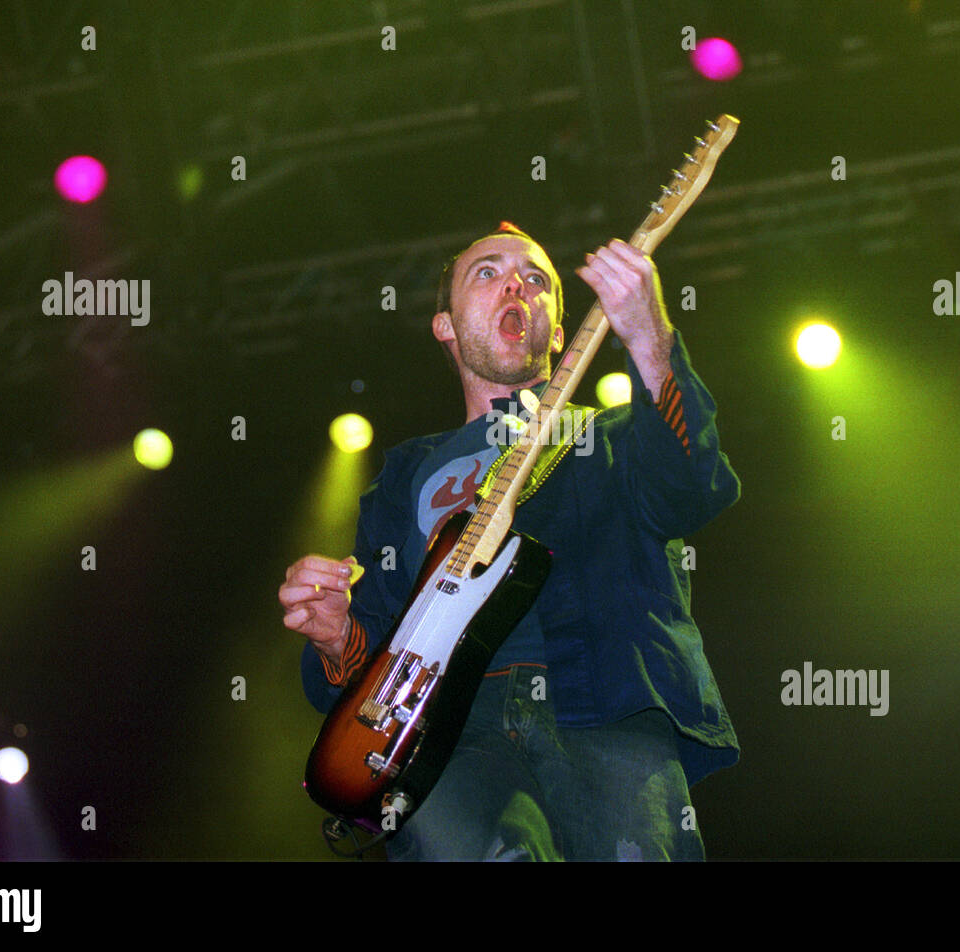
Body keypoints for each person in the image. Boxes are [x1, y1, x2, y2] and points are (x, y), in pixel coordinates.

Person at [279, 222, 740, 860]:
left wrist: (649, 337)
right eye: (487, 273)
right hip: (448, 734)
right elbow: (366, 675)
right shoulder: (405, 476)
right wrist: (335, 634)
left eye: (537, 280)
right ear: (445, 325)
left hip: (608, 704)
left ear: (558, 329)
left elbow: (694, 487)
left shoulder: (612, 438)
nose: (514, 287)